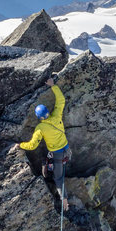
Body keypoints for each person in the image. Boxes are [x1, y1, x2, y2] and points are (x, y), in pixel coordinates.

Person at [18, 77, 71, 211]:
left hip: (57, 154)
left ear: (39, 117)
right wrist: (53, 86)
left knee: (58, 178)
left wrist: (21, 145)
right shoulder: (56, 116)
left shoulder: (40, 128)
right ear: (48, 112)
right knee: (57, 170)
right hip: (67, 149)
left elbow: (33, 145)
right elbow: (61, 101)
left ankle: (64, 200)